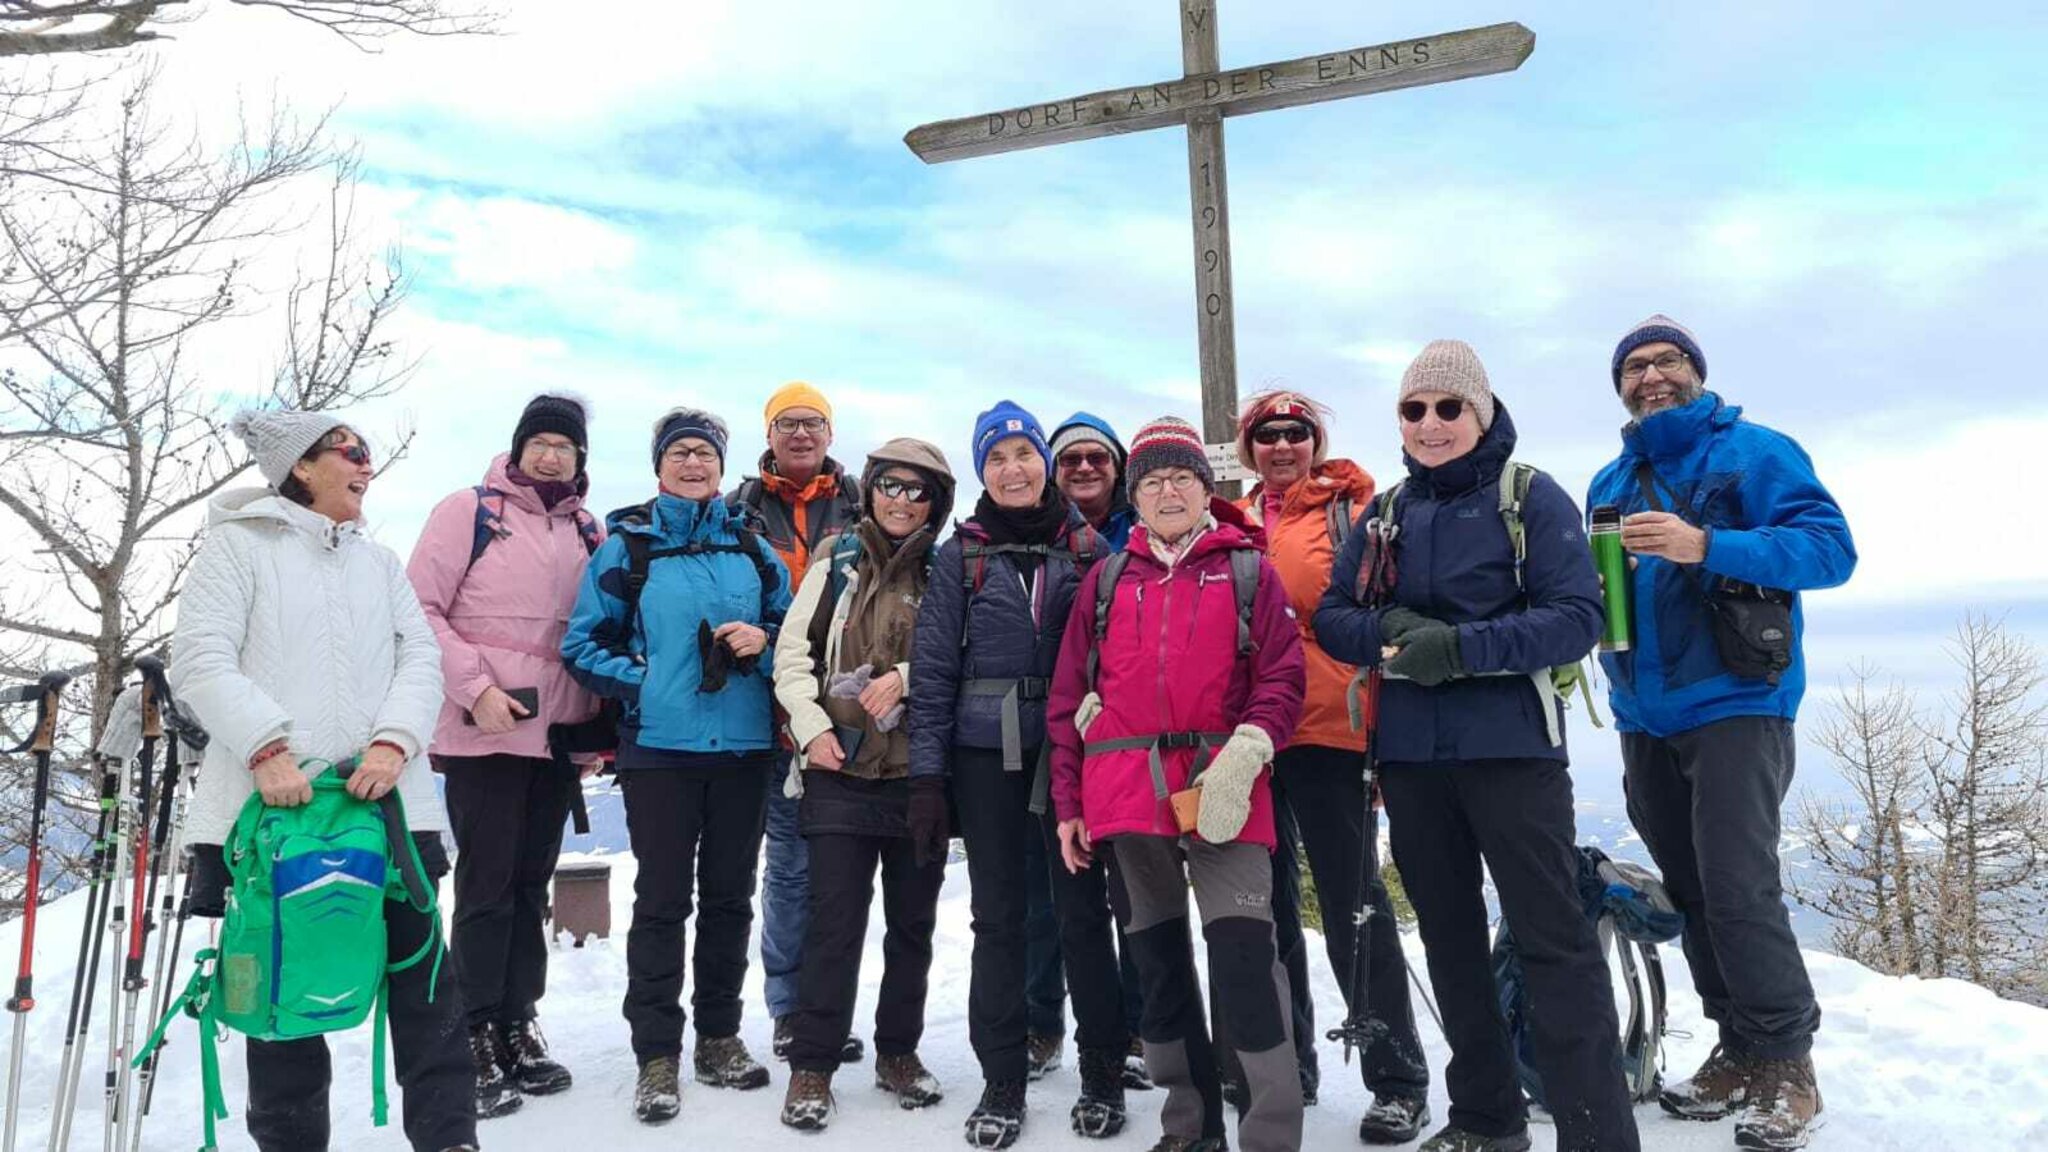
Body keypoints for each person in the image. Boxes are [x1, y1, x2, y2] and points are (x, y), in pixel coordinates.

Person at [1315, 341, 1642, 1152]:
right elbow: (1330, 617)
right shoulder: (1384, 511)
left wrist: (1457, 650)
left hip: (1514, 756)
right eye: (1413, 409)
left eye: (1449, 407)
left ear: (1482, 412)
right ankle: (1486, 1120)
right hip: (1413, 763)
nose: (1430, 423)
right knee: (1451, 942)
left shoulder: (1528, 497)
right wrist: (1390, 629)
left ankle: (1597, 1134)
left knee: (1552, 942)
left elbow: (1577, 618)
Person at [170, 410, 476, 1152]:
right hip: (270, 808)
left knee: (426, 984)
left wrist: (393, 743)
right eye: (352, 451)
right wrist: (267, 749)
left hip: (387, 804)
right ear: (301, 466)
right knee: (285, 995)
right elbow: (200, 661)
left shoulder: (378, 563)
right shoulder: (234, 550)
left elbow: (422, 661)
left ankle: (450, 1140)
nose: (366, 466)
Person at [1589, 316, 1854, 1151]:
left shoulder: (1755, 450)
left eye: (1667, 360)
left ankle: (1788, 1064)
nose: (1651, 376)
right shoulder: (1610, 479)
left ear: (1696, 371)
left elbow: (1829, 549)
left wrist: (1705, 543)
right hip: (1645, 713)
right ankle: (1737, 1046)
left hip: (1738, 701)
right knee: (1693, 888)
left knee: (1740, 887)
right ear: (1621, 386)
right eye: (1635, 367)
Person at [1048, 415, 1308, 1152]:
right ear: (1138, 493)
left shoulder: (1249, 569)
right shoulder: (1105, 579)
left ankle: (1269, 1136)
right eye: (1153, 480)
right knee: (1159, 970)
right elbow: (1069, 701)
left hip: (1227, 794)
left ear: (1205, 487)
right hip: (1126, 798)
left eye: (1182, 477)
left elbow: (1284, 677)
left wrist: (1251, 747)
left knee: (1245, 965)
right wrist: (1071, 802)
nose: (1168, 491)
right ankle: (1189, 1128)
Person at [561, 407, 793, 1125]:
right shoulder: (627, 546)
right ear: (659, 465)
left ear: (723, 469)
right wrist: (648, 680)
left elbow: (799, 639)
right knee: (662, 901)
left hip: (745, 748)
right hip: (659, 750)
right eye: (681, 453)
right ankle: (657, 1049)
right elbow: (580, 644)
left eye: (706, 455)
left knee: (730, 899)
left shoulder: (754, 551)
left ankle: (718, 1037)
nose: (694, 464)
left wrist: (766, 636)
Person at [908, 400, 1130, 1149]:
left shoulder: (1090, 550)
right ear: (982, 472)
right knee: (997, 919)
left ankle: (1102, 1066)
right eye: (996, 459)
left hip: (1072, 752)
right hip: (985, 757)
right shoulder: (960, 556)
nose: (1013, 470)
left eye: (1024, 455)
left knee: (1081, 912)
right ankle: (1002, 1079)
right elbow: (934, 672)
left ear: (1045, 463)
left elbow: (1115, 658)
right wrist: (927, 781)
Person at [1235, 390, 1432, 1142]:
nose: (1282, 445)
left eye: (1296, 433)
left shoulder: (1356, 509)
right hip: (1250, 735)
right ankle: (1287, 1066)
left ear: (1315, 441)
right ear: (1250, 446)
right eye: (1267, 435)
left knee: (1355, 906)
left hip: (1329, 729)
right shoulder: (1239, 518)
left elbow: (1379, 619)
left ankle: (1397, 1078)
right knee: (1264, 908)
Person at [405, 392, 602, 1117]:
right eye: (540, 442)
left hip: (555, 736)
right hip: (484, 725)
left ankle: (520, 1021)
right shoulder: (469, 512)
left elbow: (594, 631)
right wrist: (476, 687)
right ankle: (474, 1031)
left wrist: (595, 726)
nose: (551, 455)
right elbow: (418, 609)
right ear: (517, 447)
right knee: (486, 884)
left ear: (581, 458)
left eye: (565, 445)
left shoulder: (588, 528)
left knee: (530, 883)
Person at [770, 438, 957, 1131]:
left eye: (917, 490)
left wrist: (906, 679)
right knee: (833, 926)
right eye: (890, 486)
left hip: (920, 776)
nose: (901, 500)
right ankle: (813, 1066)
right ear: (871, 489)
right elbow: (793, 656)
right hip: (839, 768)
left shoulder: (951, 567)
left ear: (936, 501)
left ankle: (897, 1053)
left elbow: (961, 655)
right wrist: (811, 726)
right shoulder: (837, 560)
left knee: (912, 926)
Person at [727, 381, 866, 1064]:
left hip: (848, 712)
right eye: (787, 424)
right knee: (786, 869)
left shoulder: (869, 505)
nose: (801, 434)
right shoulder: (738, 512)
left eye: (813, 422)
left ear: (831, 434)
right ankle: (789, 1007)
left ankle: (829, 1003)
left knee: (838, 872)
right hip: (768, 713)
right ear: (770, 435)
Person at [1037, 411, 1147, 1086]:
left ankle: (1138, 1027)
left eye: (1096, 458)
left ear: (1118, 467)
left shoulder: (1144, 531)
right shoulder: (1032, 529)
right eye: (1069, 458)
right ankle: (1043, 1021)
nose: (1082, 467)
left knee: (1138, 888)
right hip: (1046, 726)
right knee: (1052, 892)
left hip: (1130, 734)